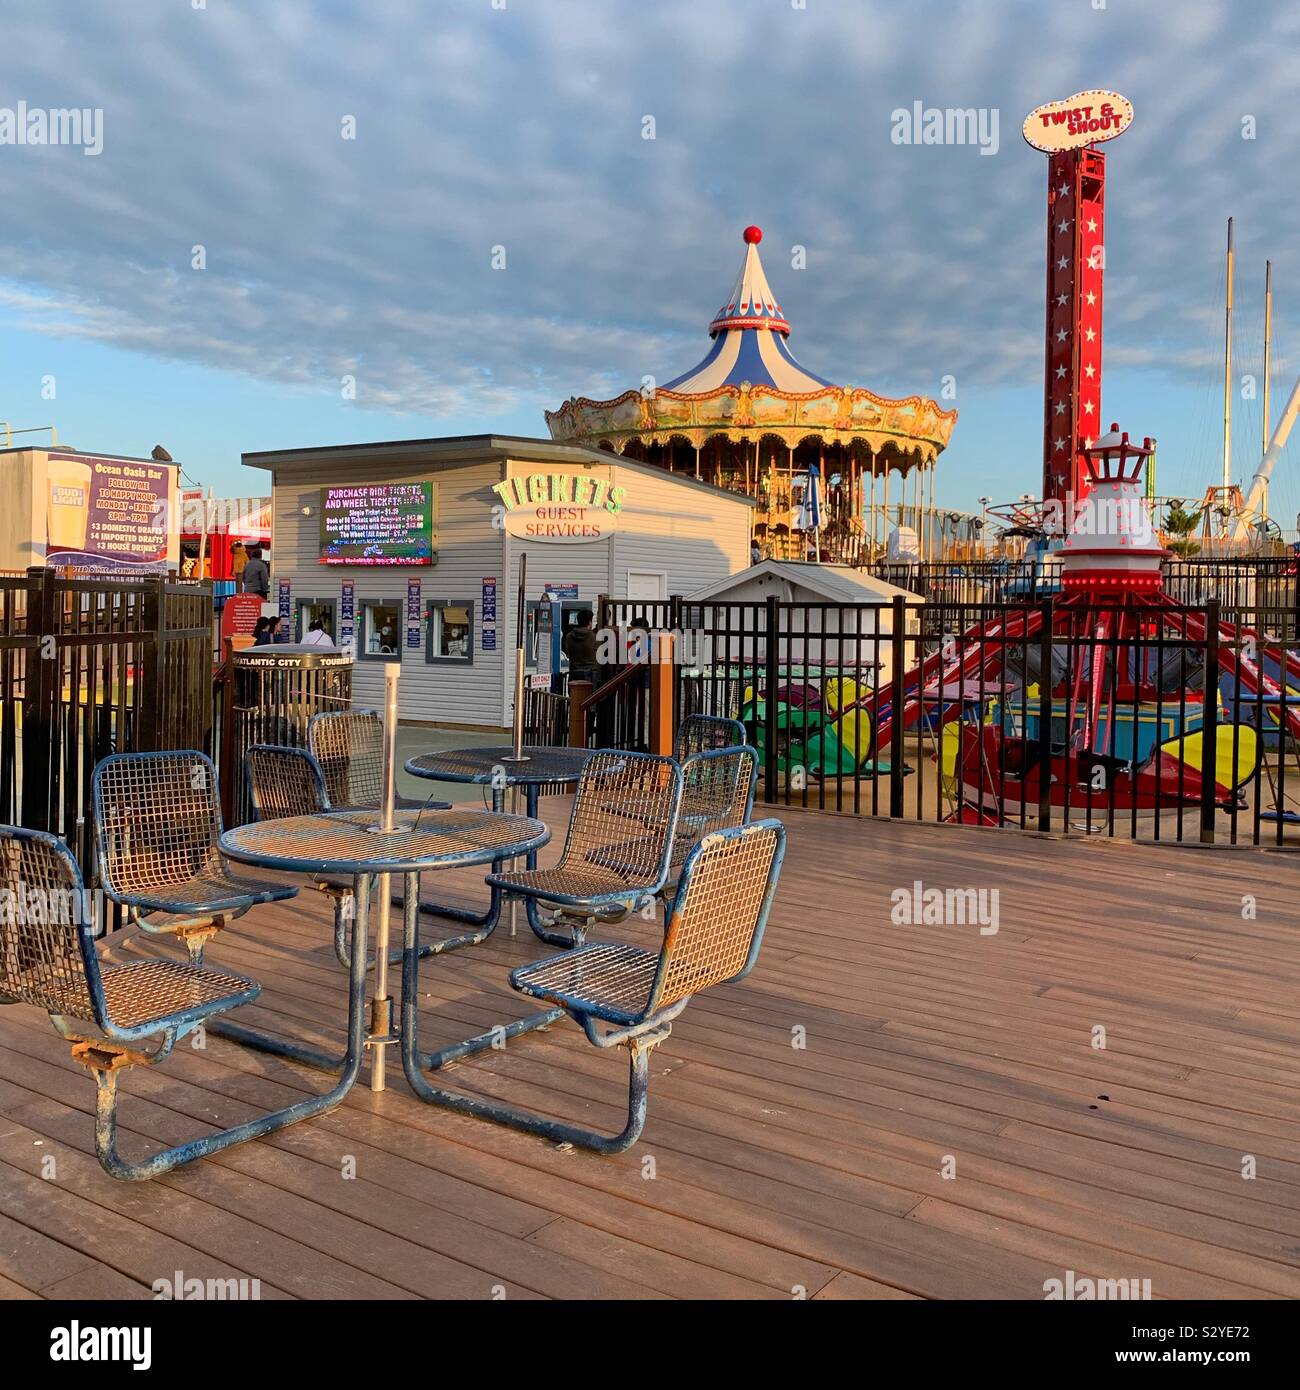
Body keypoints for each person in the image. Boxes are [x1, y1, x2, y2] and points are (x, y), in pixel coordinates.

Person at [562, 608, 599, 682]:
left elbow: (568, 654)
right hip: (591, 677)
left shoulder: (569, 636)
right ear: (589, 622)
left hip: (574, 676)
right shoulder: (594, 637)